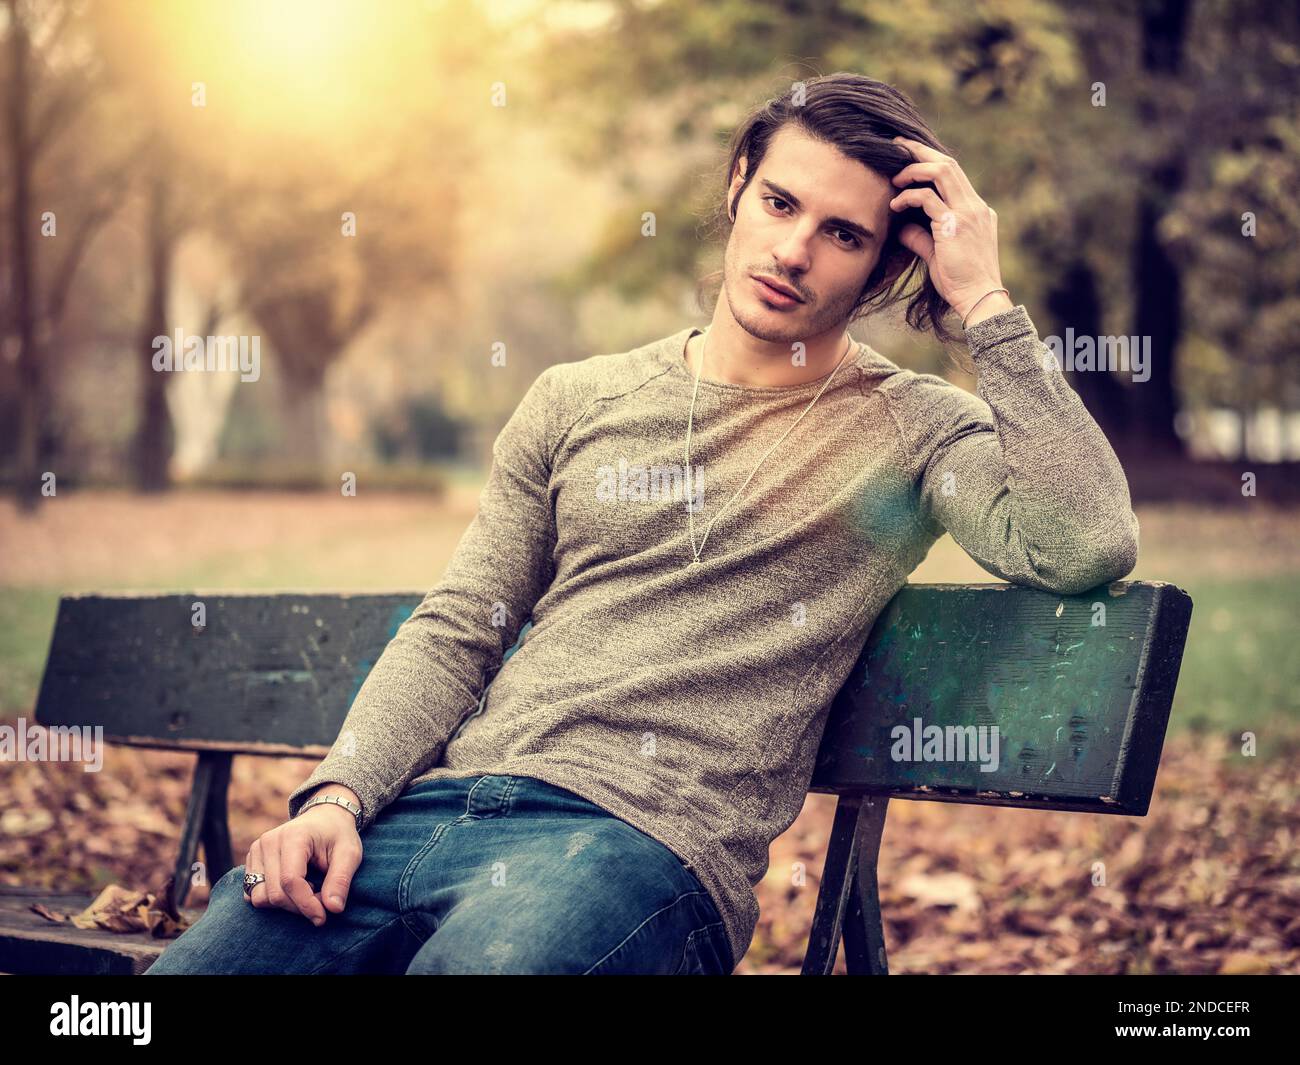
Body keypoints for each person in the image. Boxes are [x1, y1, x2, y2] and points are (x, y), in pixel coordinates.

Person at [145, 72, 1138, 976]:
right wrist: (336, 797)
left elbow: (1083, 540)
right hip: (423, 816)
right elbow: (457, 628)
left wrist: (985, 303)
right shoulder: (576, 399)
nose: (792, 250)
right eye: (780, 203)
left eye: (842, 233)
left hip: (633, 851)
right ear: (738, 188)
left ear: (885, 266)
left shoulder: (913, 431)